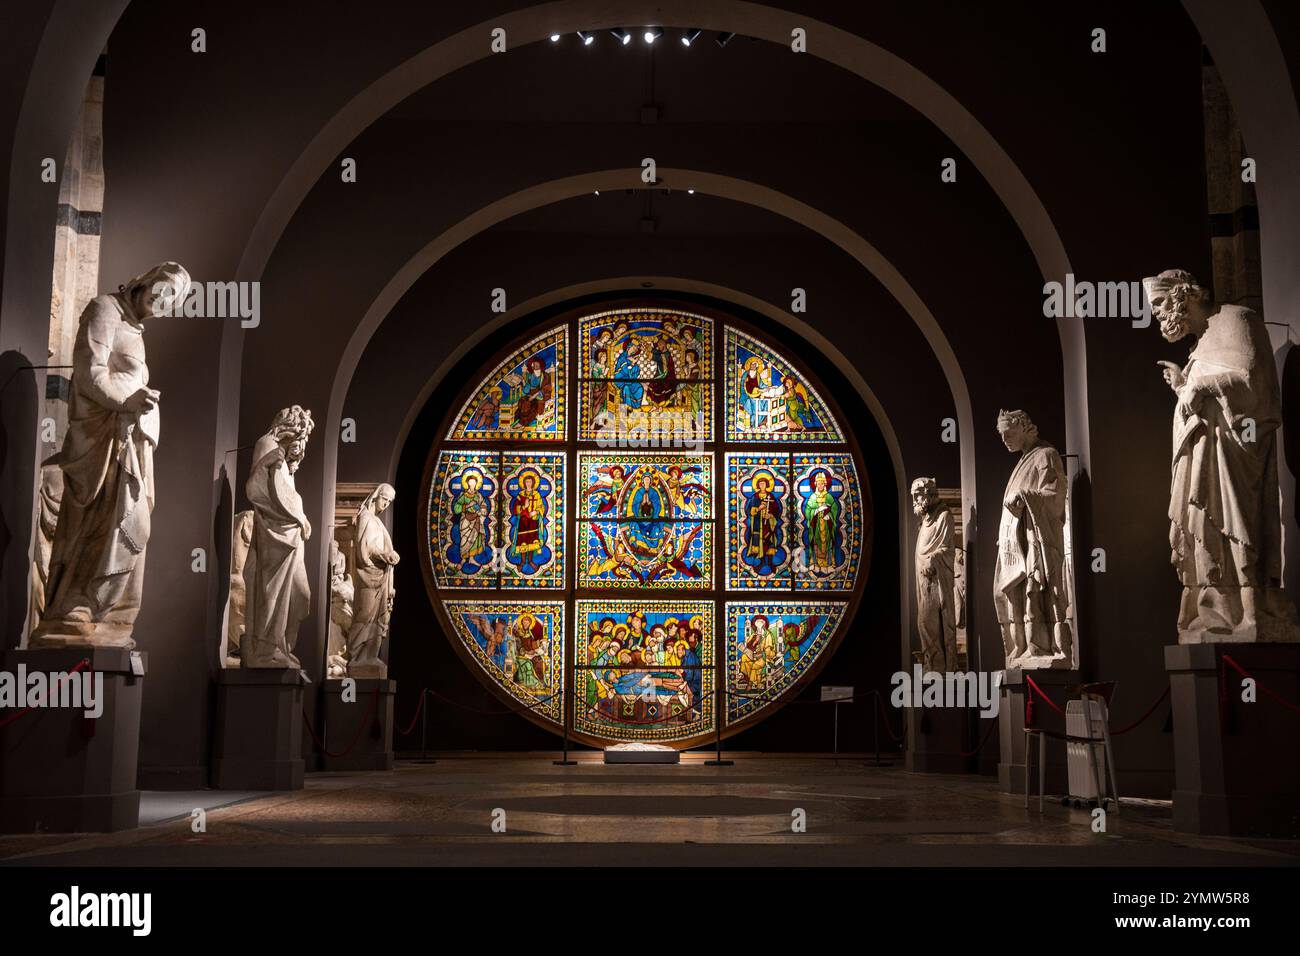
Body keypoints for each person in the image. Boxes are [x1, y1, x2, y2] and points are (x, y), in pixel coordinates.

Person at [33, 262, 191, 648]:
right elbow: (88, 371)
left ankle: (109, 612)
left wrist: (137, 406)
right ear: (149, 279)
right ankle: (76, 605)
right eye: (165, 290)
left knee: (136, 521)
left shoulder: (135, 329)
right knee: (104, 518)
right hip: (102, 440)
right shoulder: (104, 309)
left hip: (131, 439)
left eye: (174, 301)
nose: (165, 302)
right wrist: (127, 400)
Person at [1144, 269, 1300, 642]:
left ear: (1184, 293)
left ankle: (1253, 612)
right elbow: (1202, 394)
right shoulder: (1198, 346)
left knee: (1238, 523)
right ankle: (1219, 612)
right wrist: (1185, 384)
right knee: (1205, 530)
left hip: (1235, 448)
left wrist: (1201, 384)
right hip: (1203, 451)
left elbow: (1252, 383)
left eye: (1160, 304)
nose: (1159, 315)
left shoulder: (1236, 319)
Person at [992, 409, 1072, 664]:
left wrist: (1025, 498)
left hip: (1034, 540)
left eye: (1008, 433)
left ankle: (1040, 646)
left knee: (1033, 591)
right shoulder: (1022, 462)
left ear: (1024, 427)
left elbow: (1055, 497)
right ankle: (1022, 646)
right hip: (1014, 544)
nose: (1005, 440)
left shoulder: (1045, 455)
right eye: (1001, 436)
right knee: (1008, 594)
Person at [345, 483, 399, 677]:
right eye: (384, 499)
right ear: (377, 496)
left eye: (389, 502)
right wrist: (387, 555)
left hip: (381, 577)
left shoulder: (378, 522)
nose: (385, 504)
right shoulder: (366, 518)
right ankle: (357, 656)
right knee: (364, 614)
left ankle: (370, 655)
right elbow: (365, 549)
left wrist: (390, 556)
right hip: (368, 576)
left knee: (379, 617)